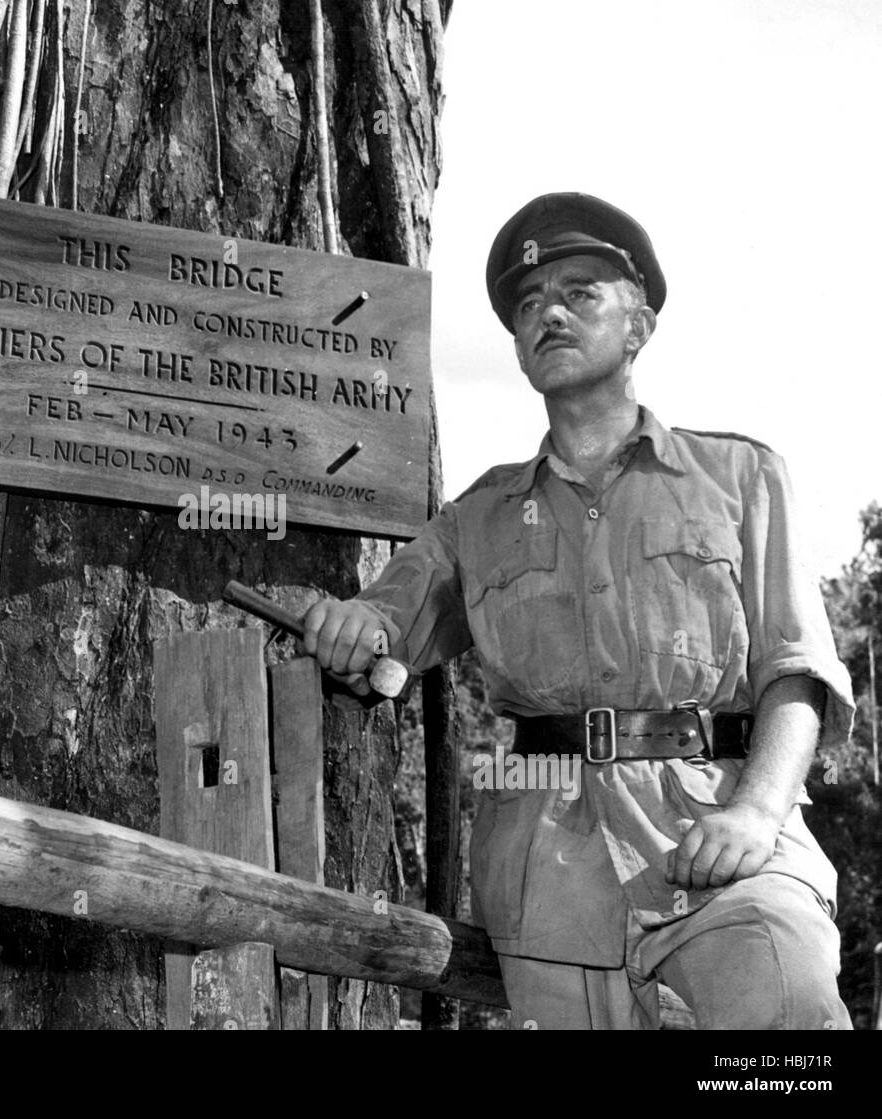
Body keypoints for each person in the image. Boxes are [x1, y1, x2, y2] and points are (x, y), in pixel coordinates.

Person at [302, 192, 856, 1029]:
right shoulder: (476, 519)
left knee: (789, 1017)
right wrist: (358, 630)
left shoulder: (740, 478)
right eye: (529, 305)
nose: (549, 313)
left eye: (579, 294)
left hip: (723, 835)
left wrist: (756, 811)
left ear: (638, 327)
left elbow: (796, 672)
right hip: (549, 875)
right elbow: (388, 621)